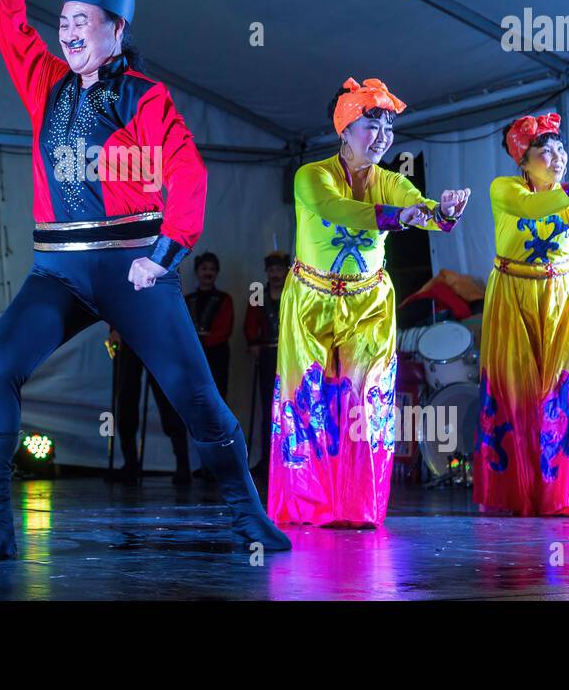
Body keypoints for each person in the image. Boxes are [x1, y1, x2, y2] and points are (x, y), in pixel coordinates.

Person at [0, 0, 289, 561]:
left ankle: (247, 514)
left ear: (116, 31)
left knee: (194, 394)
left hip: (132, 267)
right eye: (68, 21)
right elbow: (9, 26)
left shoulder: (144, 97)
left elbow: (189, 172)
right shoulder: (45, 82)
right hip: (57, 268)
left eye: (87, 22)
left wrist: (166, 251)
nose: (71, 30)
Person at [270, 78, 471, 528]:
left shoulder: (390, 180)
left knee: (367, 404)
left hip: (369, 304)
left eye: (388, 127)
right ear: (344, 130)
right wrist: (398, 217)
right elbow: (338, 210)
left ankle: (357, 506)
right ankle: (308, 507)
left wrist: (443, 212)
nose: (381, 136)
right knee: (309, 402)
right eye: (370, 125)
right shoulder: (312, 176)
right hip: (311, 302)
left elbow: (418, 206)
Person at [473, 113, 569, 516]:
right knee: (517, 394)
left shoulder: (568, 195)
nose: (557, 157)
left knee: (568, 389)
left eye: (561, 149)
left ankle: (564, 490)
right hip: (513, 295)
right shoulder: (504, 189)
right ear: (523, 159)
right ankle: (518, 492)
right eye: (545, 150)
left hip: (561, 297)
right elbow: (532, 206)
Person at [106, 327, 191, 485]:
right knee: (126, 396)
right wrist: (115, 328)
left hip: (157, 335)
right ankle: (130, 463)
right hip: (129, 335)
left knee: (166, 399)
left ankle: (182, 463)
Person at [245, 250, 290, 480]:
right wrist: (253, 341)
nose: (275, 274)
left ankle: (286, 458)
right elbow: (251, 319)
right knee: (266, 407)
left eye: (279, 270)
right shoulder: (257, 292)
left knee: (288, 406)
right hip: (267, 354)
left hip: (289, 356)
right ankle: (265, 459)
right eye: (271, 270)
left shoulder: (294, 293)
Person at [186, 252, 234, 399]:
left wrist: (200, 342)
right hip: (192, 355)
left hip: (216, 354)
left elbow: (224, 328)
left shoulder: (225, 298)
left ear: (217, 272)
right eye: (204, 268)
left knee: (216, 395)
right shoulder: (187, 299)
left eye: (212, 269)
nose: (208, 272)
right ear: (197, 272)